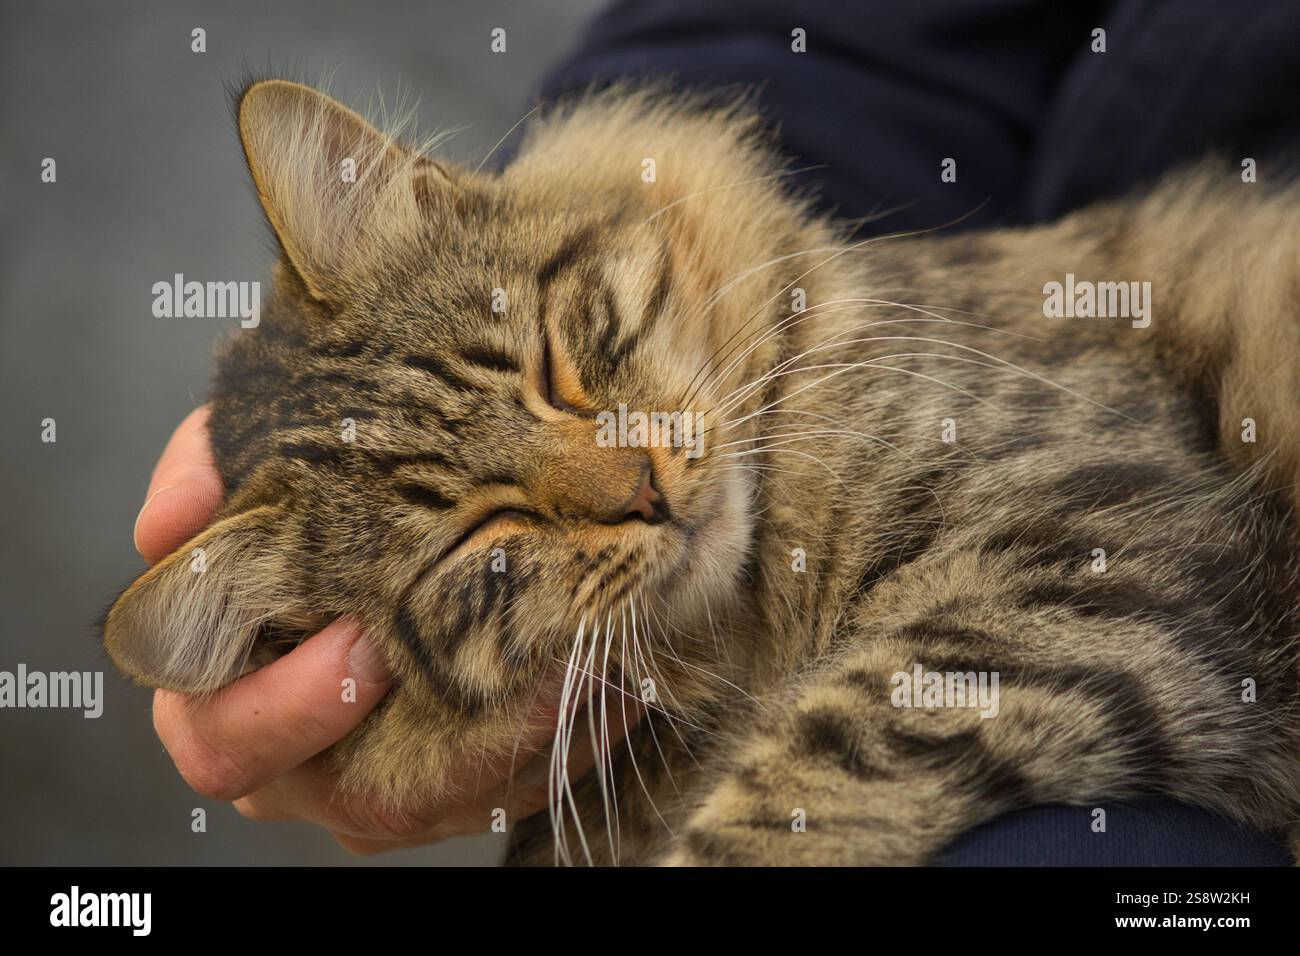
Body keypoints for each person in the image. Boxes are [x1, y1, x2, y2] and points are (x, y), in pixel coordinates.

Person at [138, 0, 1299, 863]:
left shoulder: (843, 355)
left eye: (556, 371)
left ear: (443, 202)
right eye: (491, 539)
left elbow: (1143, 597)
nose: (625, 484)